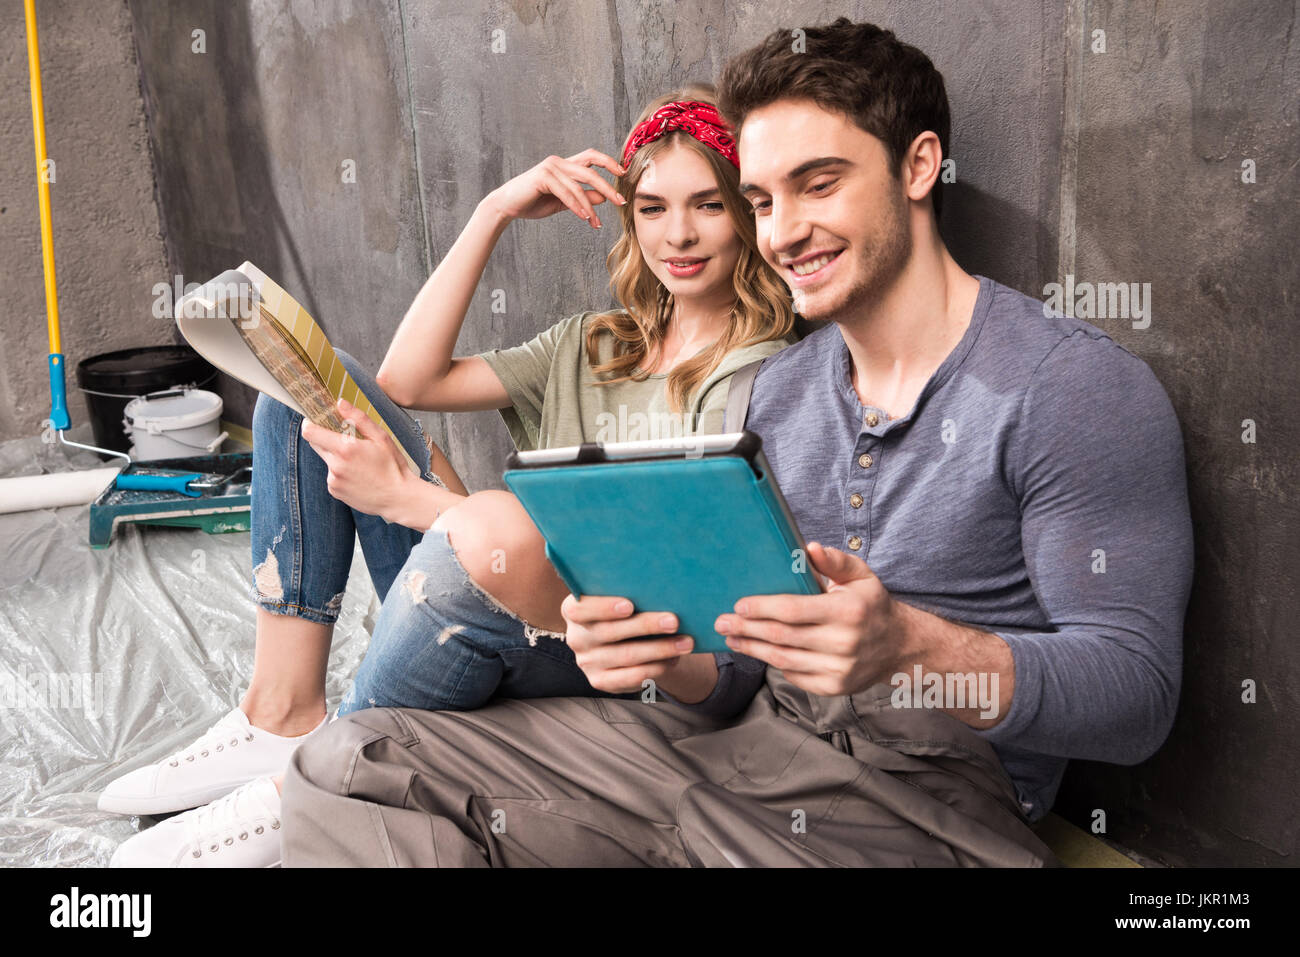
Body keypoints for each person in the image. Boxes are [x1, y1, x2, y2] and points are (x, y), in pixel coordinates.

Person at [277, 17, 1195, 867]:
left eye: (819, 184)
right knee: (352, 756)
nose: (783, 231)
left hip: (922, 809)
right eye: (760, 199)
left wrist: (910, 646)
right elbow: (732, 675)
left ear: (919, 167)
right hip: (728, 750)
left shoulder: (1073, 386)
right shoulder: (786, 390)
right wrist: (654, 657)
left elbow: (1136, 697)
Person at [100, 84, 798, 867]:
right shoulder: (599, 342)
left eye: (708, 204)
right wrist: (494, 211)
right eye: (654, 208)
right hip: (498, 587)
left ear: (747, 213)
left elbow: (668, 594)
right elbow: (409, 379)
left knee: (493, 519)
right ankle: (282, 711)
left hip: (608, 657)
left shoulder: (767, 375)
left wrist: (412, 500)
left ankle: (302, 786)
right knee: (311, 405)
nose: (680, 234)